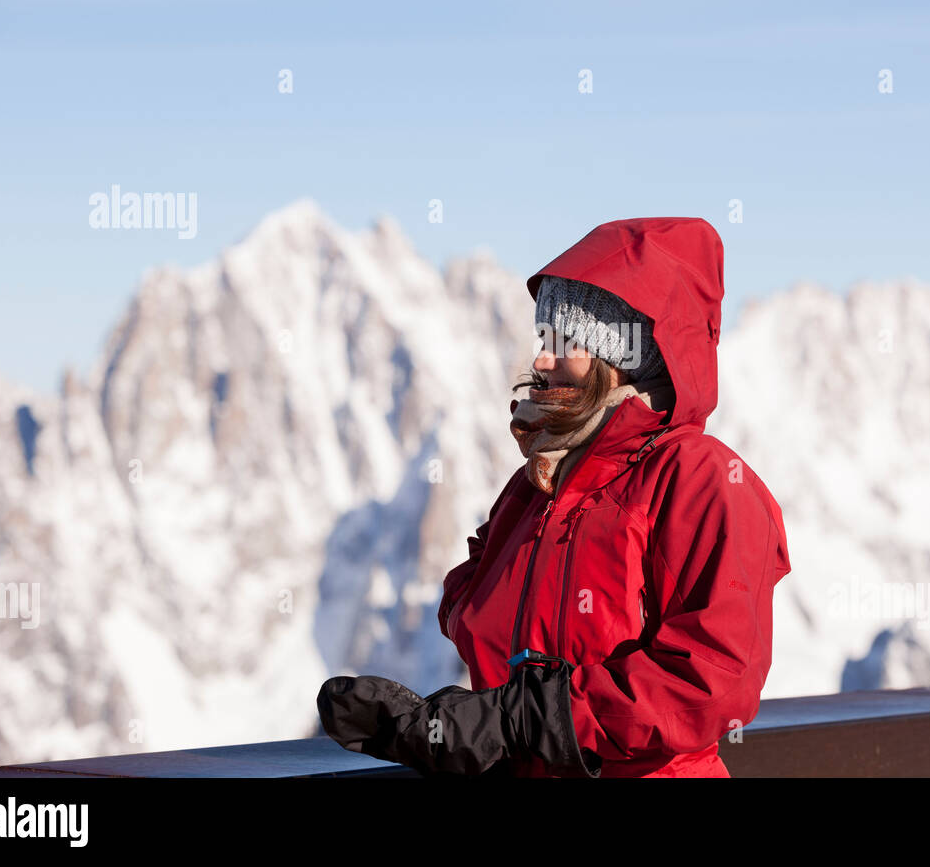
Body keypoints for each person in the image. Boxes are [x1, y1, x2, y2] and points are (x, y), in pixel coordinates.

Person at [317, 216, 791, 777]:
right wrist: (431, 725)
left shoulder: (701, 481)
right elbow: (474, 606)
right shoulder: (540, 481)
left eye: (566, 342)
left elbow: (711, 680)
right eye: (545, 338)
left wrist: (517, 720)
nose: (541, 359)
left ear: (625, 356)